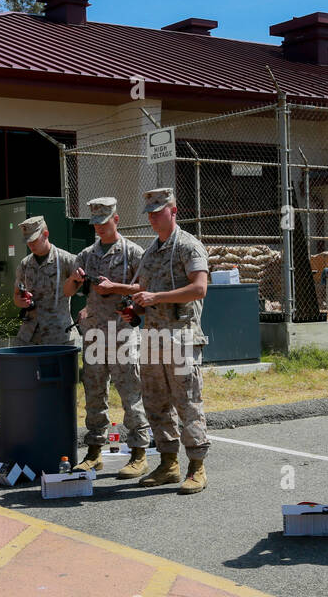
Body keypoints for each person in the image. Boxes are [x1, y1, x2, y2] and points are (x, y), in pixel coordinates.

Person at [63, 196, 150, 478]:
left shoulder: (133, 252)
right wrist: (75, 280)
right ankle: (94, 452)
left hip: (122, 334)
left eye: (103, 222)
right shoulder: (87, 255)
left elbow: (145, 287)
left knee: (130, 393)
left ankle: (138, 453)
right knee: (94, 393)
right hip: (94, 336)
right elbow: (66, 291)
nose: (98, 228)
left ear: (116, 219)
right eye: (95, 224)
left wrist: (115, 287)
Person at [130, 188, 210, 494]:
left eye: (158, 211)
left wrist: (155, 297)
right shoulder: (150, 252)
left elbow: (199, 288)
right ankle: (168, 464)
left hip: (181, 337)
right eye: (149, 212)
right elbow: (142, 290)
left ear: (173, 211)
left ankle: (197, 467)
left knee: (187, 402)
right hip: (151, 336)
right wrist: (135, 308)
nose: (152, 217)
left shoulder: (189, 246)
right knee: (155, 401)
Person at [12, 215, 79, 346]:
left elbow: (90, 283)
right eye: (27, 240)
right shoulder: (25, 264)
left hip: (59, 335)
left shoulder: (65, 260)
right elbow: (16, 295)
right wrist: (21, 302)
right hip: (30, 336)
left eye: (34, 240)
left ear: (46, 234)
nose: (30, 244)